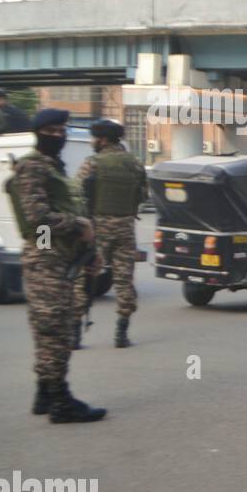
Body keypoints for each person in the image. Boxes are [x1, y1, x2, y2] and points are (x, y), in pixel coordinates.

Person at [5, 109, 106, 422]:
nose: (58, 136)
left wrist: (90, 250)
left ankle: (44, 394)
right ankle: (61, 402)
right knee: (55, 331)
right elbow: (38, 221)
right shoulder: (33, 167)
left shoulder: (53, 168)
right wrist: (77, 227)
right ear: (38, 133)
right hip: (45, 260)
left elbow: (69, 211)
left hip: (54, 255)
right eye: (51, 130)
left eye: (62, 130)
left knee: (49, 329)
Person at [77, 119, 147, 348]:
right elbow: (142, 195)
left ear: (103, 139)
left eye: (94, 137)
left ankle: (75, 334)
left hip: (98, 229)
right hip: (126, 229)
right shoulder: (135, 163)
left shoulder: (93, 163)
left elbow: (76, 193)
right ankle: (122, 333)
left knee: (84, 277)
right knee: (124, 280)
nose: (92, 142)